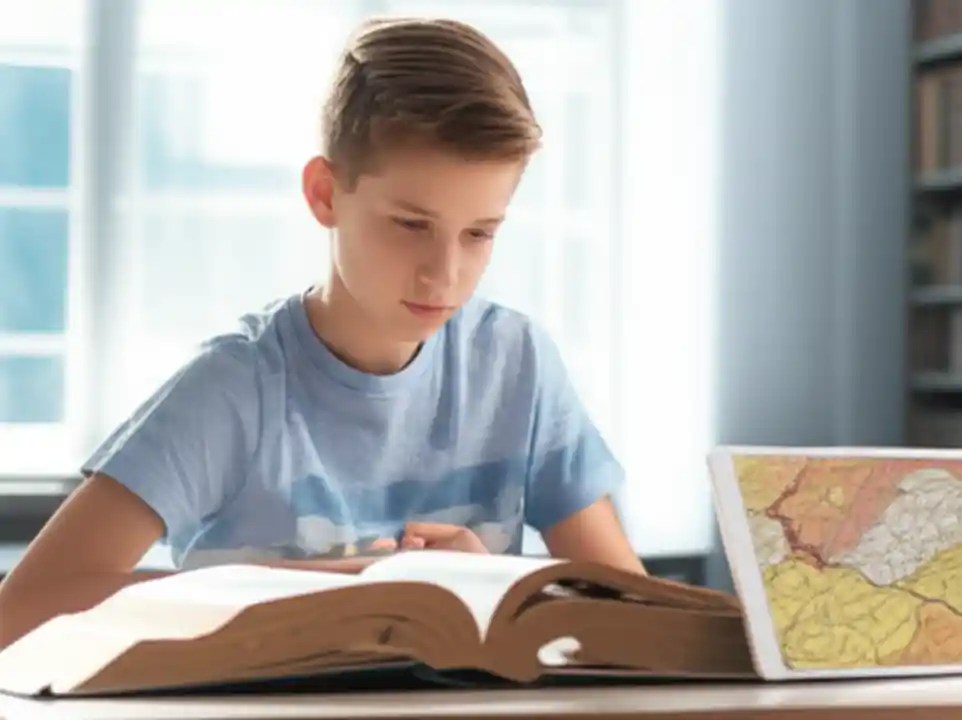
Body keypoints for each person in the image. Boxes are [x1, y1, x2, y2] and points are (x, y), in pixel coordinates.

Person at [0, 15, 643, 651]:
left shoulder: (518, 365)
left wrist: (492, 585)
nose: (444, 274)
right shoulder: (235, 389)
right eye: (411, 225)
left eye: (480, 233)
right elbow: (21, 610)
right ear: (325, 194)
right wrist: (364, 585)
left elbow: (638, 617)